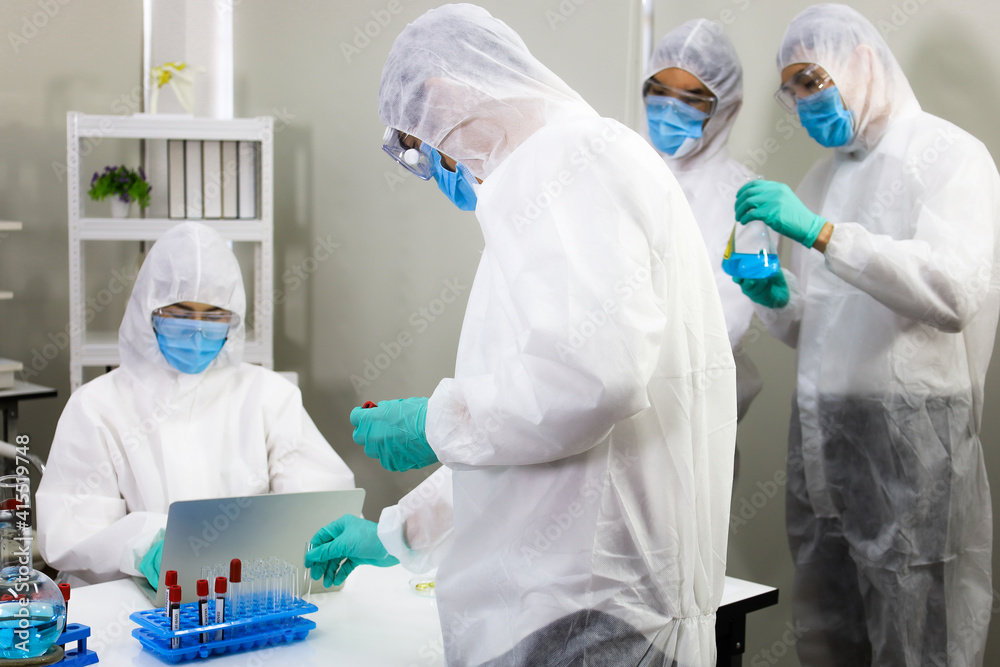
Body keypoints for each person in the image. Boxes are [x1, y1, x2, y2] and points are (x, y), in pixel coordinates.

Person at [306, 5, 737, 666]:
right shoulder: (551, 177)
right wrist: (396, 533)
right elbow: (535, 436)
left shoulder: (566, 162)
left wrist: (432, 420)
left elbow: (591, 381)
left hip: (588, 610)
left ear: (447, 93)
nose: (435, 171)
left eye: (422, 148)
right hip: (581, 602)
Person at [733, 5, 999, 666]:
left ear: (862, 62)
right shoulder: (821, 180)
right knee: (827, 634)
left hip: (913, 452)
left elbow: (953, 291)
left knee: (920, 635)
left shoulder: (951, 155)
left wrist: (823, 235)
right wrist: (775, 298)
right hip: (823, 453)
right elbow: (817, 327)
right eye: (792, 90)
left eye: (812, 80)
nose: (803, 101)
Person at [37, 222, 355, 586]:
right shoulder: (96, 406)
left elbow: (319, 500)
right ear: (147, 311)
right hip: (126, 599)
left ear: (233, 321)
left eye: (214, 316)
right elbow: (71, 529)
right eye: (181, 313)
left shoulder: (269, 395)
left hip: (243, 595)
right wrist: (142, 548)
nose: (198, 330)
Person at [643, 19, 773, 425]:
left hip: (694, 414)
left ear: (726, 107)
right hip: (603, 411)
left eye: (692, 98)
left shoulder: (746, 199)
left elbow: (724, 324)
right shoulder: (619, 171)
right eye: (659, 91)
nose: (669, 108)